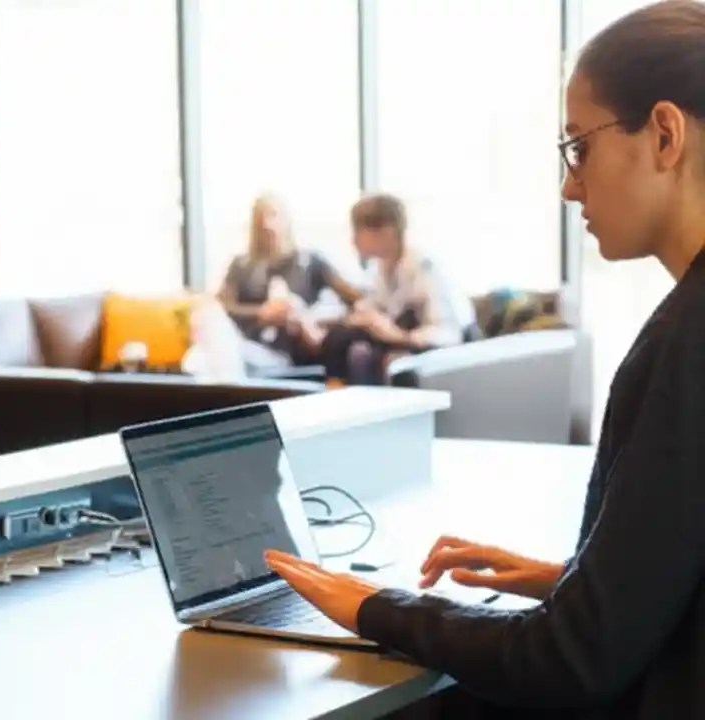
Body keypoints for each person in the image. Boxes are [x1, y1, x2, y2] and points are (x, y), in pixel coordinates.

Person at [264, 2, 705, 717]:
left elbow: (573, 661)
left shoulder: (686, 344)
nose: (569, 186)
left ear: (663, 134)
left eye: (579, 147)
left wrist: (377, 608)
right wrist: (575, 581)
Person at [314, 193, 474, 385]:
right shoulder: (381, 268)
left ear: (386, 232)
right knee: (340, 339)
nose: (354, 241)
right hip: (408, 338)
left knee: (381, 358)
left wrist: (398, 335)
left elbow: (447, 333)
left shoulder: (426, 268)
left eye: (359, 231)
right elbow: (375, 307)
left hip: (450, 347)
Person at [216, 193, 361, 372]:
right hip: (247, 347)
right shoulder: (241, 265)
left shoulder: (309, 262)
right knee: (207, 356)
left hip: (291, 354)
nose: (267, 225)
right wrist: (260, 313)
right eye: (260, 218)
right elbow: (221, 308)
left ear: (287, 220)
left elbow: (356, 300)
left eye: (273, 215)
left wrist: (308, 319)